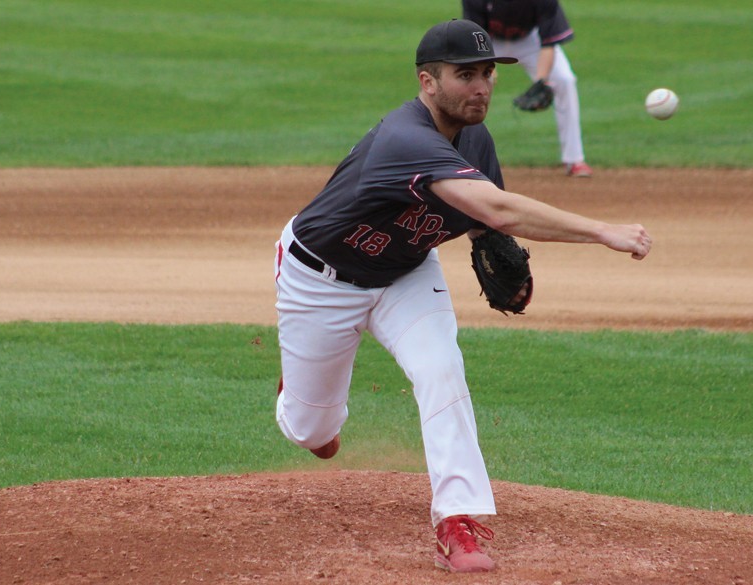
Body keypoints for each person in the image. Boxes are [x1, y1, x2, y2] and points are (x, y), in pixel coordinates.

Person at [272, 19, 651, 573]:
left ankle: (457, 522)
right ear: (428, 82)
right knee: (313, 431)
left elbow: (483, 221)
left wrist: (496, 250)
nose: (481, 86)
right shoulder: (403, 138)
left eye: (487, 74)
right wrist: (602, 231)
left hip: (404, 272)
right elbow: (499, 207)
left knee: (442, 368)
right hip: (319, 281)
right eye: (464, 75)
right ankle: (299, 394)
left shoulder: (474, 139)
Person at [462, 0, 593, 177]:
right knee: (465, 86)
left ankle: (574, 160)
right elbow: (476, 37)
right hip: (488, 42)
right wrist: (486, 71)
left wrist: (541, 82)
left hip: (530, 42)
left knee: (564, 80)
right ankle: (460, 159)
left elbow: (548, 43)